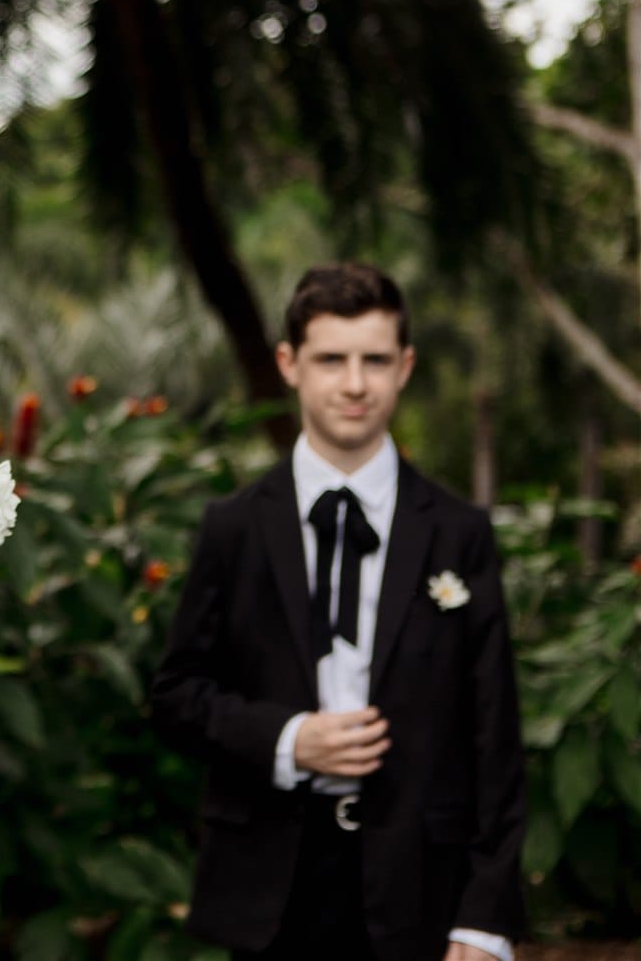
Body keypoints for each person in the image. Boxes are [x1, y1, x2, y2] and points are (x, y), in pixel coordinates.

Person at [150, 263, 526, 961]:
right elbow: (176, 696)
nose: (355, 383)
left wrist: (485, 915)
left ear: (404, 366)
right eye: (332, 359)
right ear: (290, 364)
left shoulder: (457, 530)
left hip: (423, 886)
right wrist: (289, 738)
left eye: (375, 360)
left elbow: (494, 732)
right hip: (272, 885)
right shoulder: (233, 527)